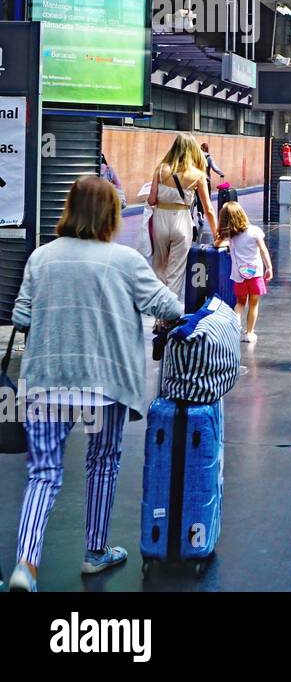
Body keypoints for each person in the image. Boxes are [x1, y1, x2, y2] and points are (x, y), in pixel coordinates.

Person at [7, 177, 184, 592]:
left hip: (47, 381)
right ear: (111, 215)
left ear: (69, 209)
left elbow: (20, 318)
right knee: (103, 463)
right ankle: (95, 552)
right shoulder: (124, 260)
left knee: (44, 474)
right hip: (105, 384)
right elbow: (170, 306)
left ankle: (26, 566)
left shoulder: (41, 257)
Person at [149, 134, 219, 302]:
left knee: (159, 267)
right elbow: (208, 209)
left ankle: (160, 313)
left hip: (161, 220)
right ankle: (169, 315)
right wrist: (217, 234)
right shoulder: (197, 175)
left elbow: (152, 200)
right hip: (182, 220)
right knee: (176, 270)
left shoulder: (160, 169)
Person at [215, 201, 273, 345]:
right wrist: (269, 267)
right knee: (253, 304)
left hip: (239, 274)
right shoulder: (254, 231)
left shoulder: (231, 236)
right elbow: (263, 250)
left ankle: (234, 328)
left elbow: (217, 244)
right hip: (255, 273)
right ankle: (249, 333)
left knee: (240, 304)